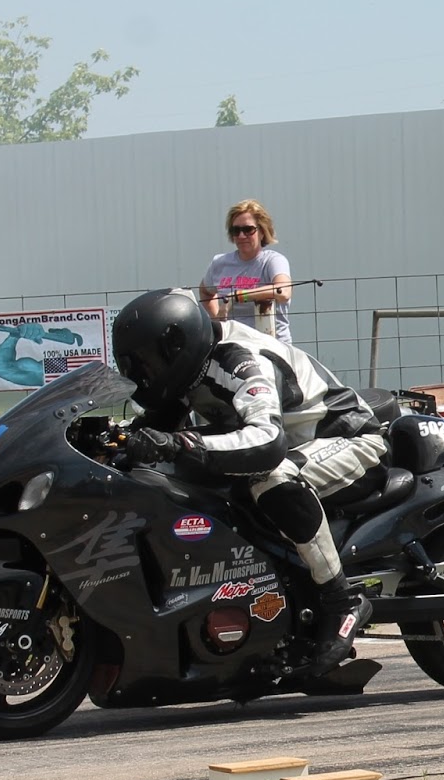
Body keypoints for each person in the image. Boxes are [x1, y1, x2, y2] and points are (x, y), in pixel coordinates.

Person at [110, 288, 385, 673]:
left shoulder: (242, 363)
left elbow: (267, 443)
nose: (143, 375)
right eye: (134, 366)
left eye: (148, 364)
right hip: (296, 442)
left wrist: (180, 444)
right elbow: (159, 422)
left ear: (176, 348)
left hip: (346, 439)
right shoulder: (192, 368)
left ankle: (343, 600)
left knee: (271, 478)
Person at [200, 199, 294, 342]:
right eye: (236, 231)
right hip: (233, 344)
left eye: (248, 230)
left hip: (272, 345)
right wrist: (217, 321)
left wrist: (236, 297)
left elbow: (283, 292)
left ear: (262, 232)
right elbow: (205, 291)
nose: (241, 236)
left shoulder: (273, 261)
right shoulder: (219, 263)